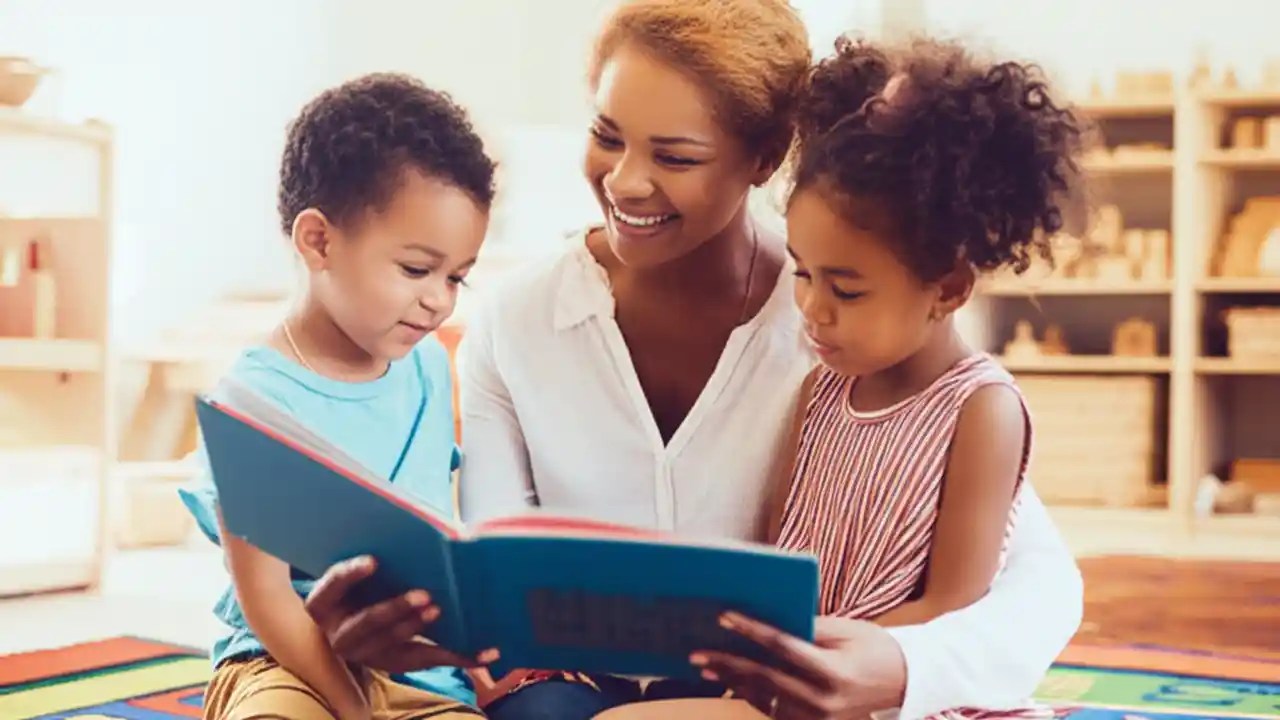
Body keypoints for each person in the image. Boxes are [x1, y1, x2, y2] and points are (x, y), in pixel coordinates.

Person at [301, 2, 1084, 719]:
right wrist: (422, 622)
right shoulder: (514, 322)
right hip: (570, 681)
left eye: (675, 156)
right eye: (607, 135)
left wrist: (907, 663)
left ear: (764, 157)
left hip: (758, 683)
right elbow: (495, 571)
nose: (626, 180)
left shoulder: (854, 319)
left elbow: (1037, 584)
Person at [688, 36, 1085, 720]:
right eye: (803, 273)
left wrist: (815, 665)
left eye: (845, 289)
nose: (811, 308)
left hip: (898, 695)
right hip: (801, 681)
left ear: (949, 289)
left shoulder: (982, 410)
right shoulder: (819, 392)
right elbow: (787, 562)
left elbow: (954, 607)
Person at [178, 73, 500, 720]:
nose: (439, 299)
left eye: (456, 278)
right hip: (283, 661)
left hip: (418, 671)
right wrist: (353, 710)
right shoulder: (253, 402)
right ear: (319, 241)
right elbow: (268, 601)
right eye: (416, 270)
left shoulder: (431, 367)